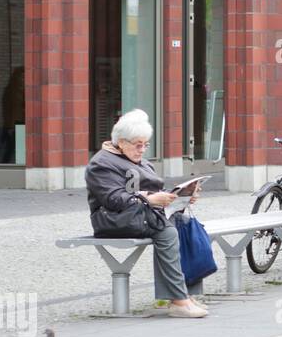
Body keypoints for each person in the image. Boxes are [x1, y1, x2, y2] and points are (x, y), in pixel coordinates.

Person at [85, 109, 207, 319]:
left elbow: (150, 191)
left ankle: (187, 293)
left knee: (186, 224)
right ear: (121, 142)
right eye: (137, 145)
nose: (142, 150)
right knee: (167, 232)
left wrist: (179, 197)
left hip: (141, 214)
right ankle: (178, 300)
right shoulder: (101, 163)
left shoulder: (137, 160)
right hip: (113, 219)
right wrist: (149, 199)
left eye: (145, 144)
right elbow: (113, 199)